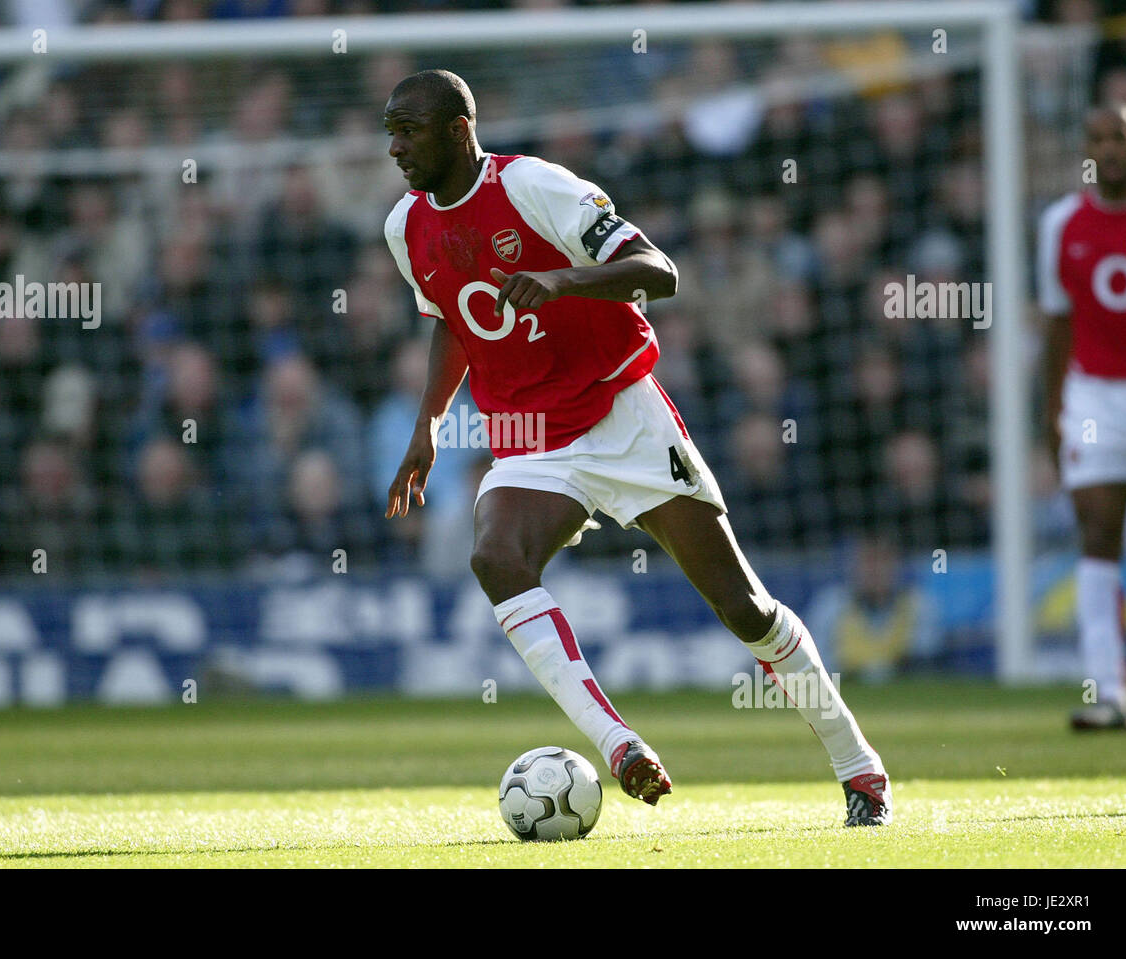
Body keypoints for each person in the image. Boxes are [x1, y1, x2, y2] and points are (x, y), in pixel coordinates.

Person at [381, 70, 891, 825]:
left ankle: (861, 769)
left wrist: (563, 282)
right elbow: (450, 318)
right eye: (389, 129)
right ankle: (618, 745)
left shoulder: (535, 187)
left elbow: (661, 271)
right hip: (529, 434)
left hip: (624, 415)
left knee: (743, 606)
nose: (394, 146)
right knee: (495, 556)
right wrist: (428, 422)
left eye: (409, 129)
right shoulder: (403, 226)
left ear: (459, 130)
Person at [1040, 102, 1126, 731]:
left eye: (1120, 137)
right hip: (1095, 396)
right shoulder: (1061, 224)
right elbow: (1056, 323)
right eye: (1097, 138)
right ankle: (1109, 692)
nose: (1108, 148)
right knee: (1098, 529)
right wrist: (1053, 408)